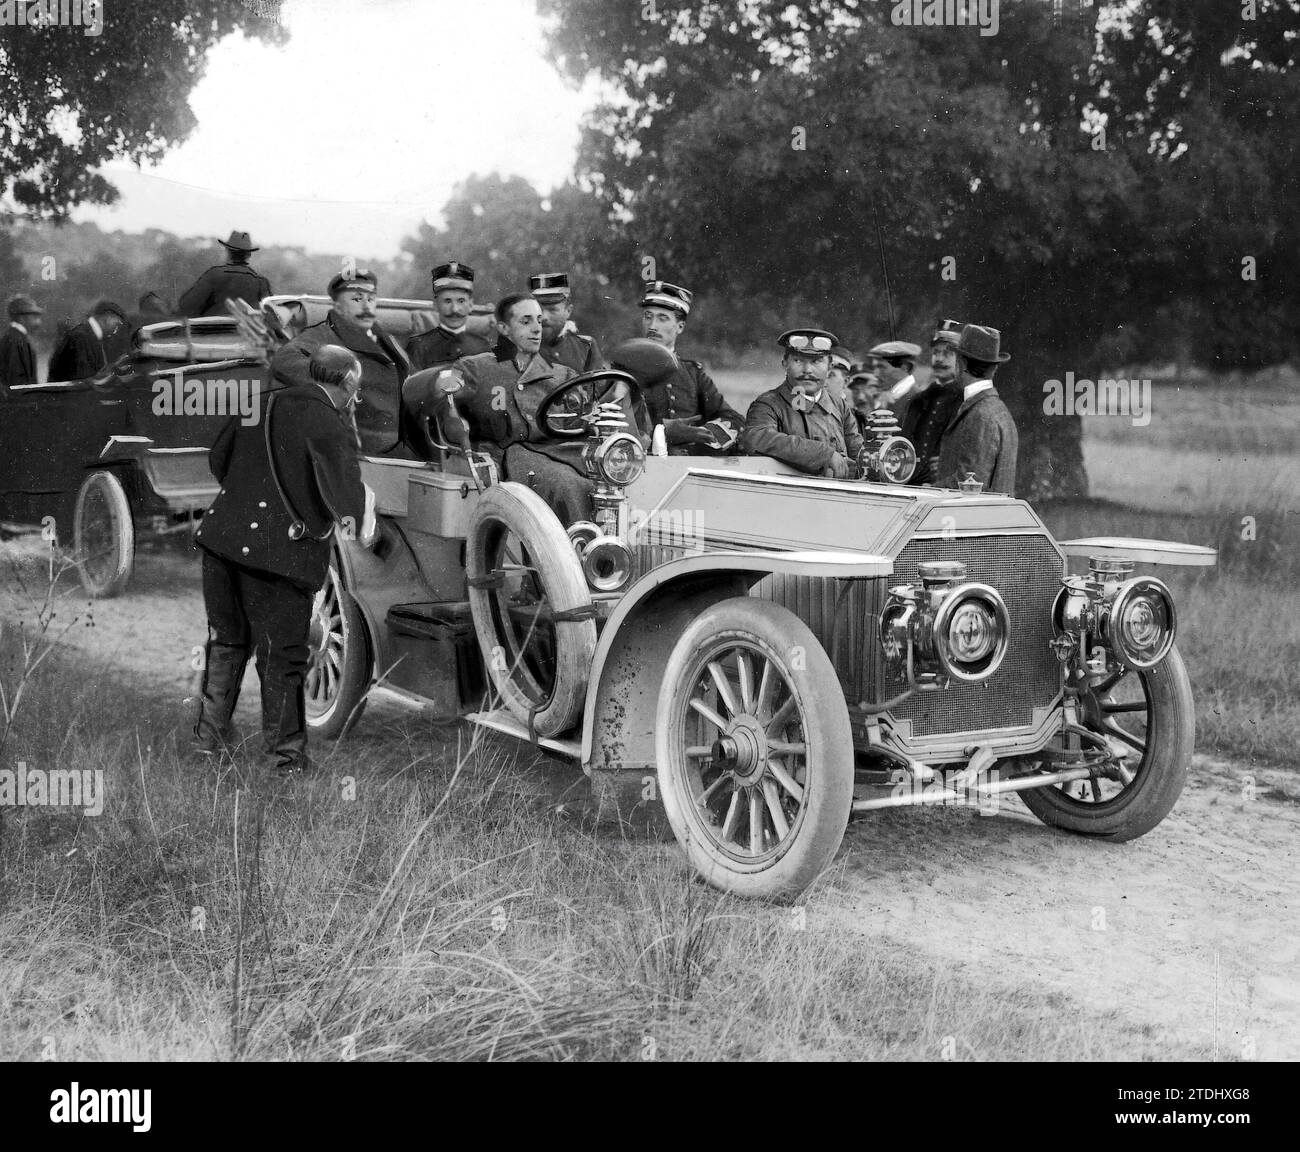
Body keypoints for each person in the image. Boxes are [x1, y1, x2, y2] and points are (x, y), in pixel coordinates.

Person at [192, 344, 373, 775]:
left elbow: (220, 461)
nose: (355, 400)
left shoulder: (259, 403)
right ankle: (285, 762)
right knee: (283, 659)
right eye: (357, 391)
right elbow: (344, 499)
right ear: (347, 383)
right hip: (279, 558)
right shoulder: (330, 422)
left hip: (220, 543)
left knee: (227, 644)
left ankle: (205, 744)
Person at [270, 268, 414, 457]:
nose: (366, 307)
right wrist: (336, 378)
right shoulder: (323, 335)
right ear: (337, 307)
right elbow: (284, 361)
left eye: (370, 299)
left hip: (402, 446)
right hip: (356, 447)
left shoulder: (387, 340)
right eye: (357, 299)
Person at [638, 280, 742, 454]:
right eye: (648, 316)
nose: (652, 326)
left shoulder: (693, 373)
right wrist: (662, 433)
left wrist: (700, 436)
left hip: (689, 465)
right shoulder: (624, 371)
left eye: (662, 318)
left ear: (680, 327)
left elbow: (732, 418)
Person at [741, 328, 863, 477]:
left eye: (816, 361)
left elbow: (858, 454)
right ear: (785, 363)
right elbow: (757, 438)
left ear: (830, 366)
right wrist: (823, 454)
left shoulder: (840, 406)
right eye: (798, 360)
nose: (807, 370)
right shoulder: (768, 405)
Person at [932, 324, 1019, 495]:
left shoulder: (981, 414)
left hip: (973, 519)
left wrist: (927, 491)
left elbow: (970, 483)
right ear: (993, 368)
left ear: (961, 363)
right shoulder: (997, 409)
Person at [901, 319, 964, 485]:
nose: (939, 359)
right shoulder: (918, 401)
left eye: (947, 354)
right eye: (936, 353)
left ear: (961, 360)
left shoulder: (966, 403)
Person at [406, 261, 493, 371]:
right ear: (436, 305)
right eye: (447, 301)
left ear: (470, 305)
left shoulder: (483, 347)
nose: (454, 309)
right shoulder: (418, 347)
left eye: (461, 301)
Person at [177, 230, 273, 318]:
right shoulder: (261, 282)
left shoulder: (213, 275)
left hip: (211, 334)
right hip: (245, 335)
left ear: (228, 251)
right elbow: (271, 314)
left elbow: (186, 305)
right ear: (248, 255)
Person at [531, 272, 603, 374]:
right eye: (538, 309)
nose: (544, 317)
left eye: (552, 310)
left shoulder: (586, 347)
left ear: (568, 311)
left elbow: (599, 387)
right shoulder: (519, 346)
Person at [47, 299, 127, 380]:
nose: (115, 331)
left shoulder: (87, 335)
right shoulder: (81, 337)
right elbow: (83, 380)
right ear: (107, 318)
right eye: (116, 324)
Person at [867, 339, 923, 415]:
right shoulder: (883, 399)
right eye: (874, 367)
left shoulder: (920, 401)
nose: (876, 374)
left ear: (905, 367)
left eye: (881, 367)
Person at [1, 295, 44, 392]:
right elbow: (14, 379)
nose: (38, 321)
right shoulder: (15, 340)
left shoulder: (15, 337)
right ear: (22, 318)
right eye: (34, 316)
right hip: (19, 402)